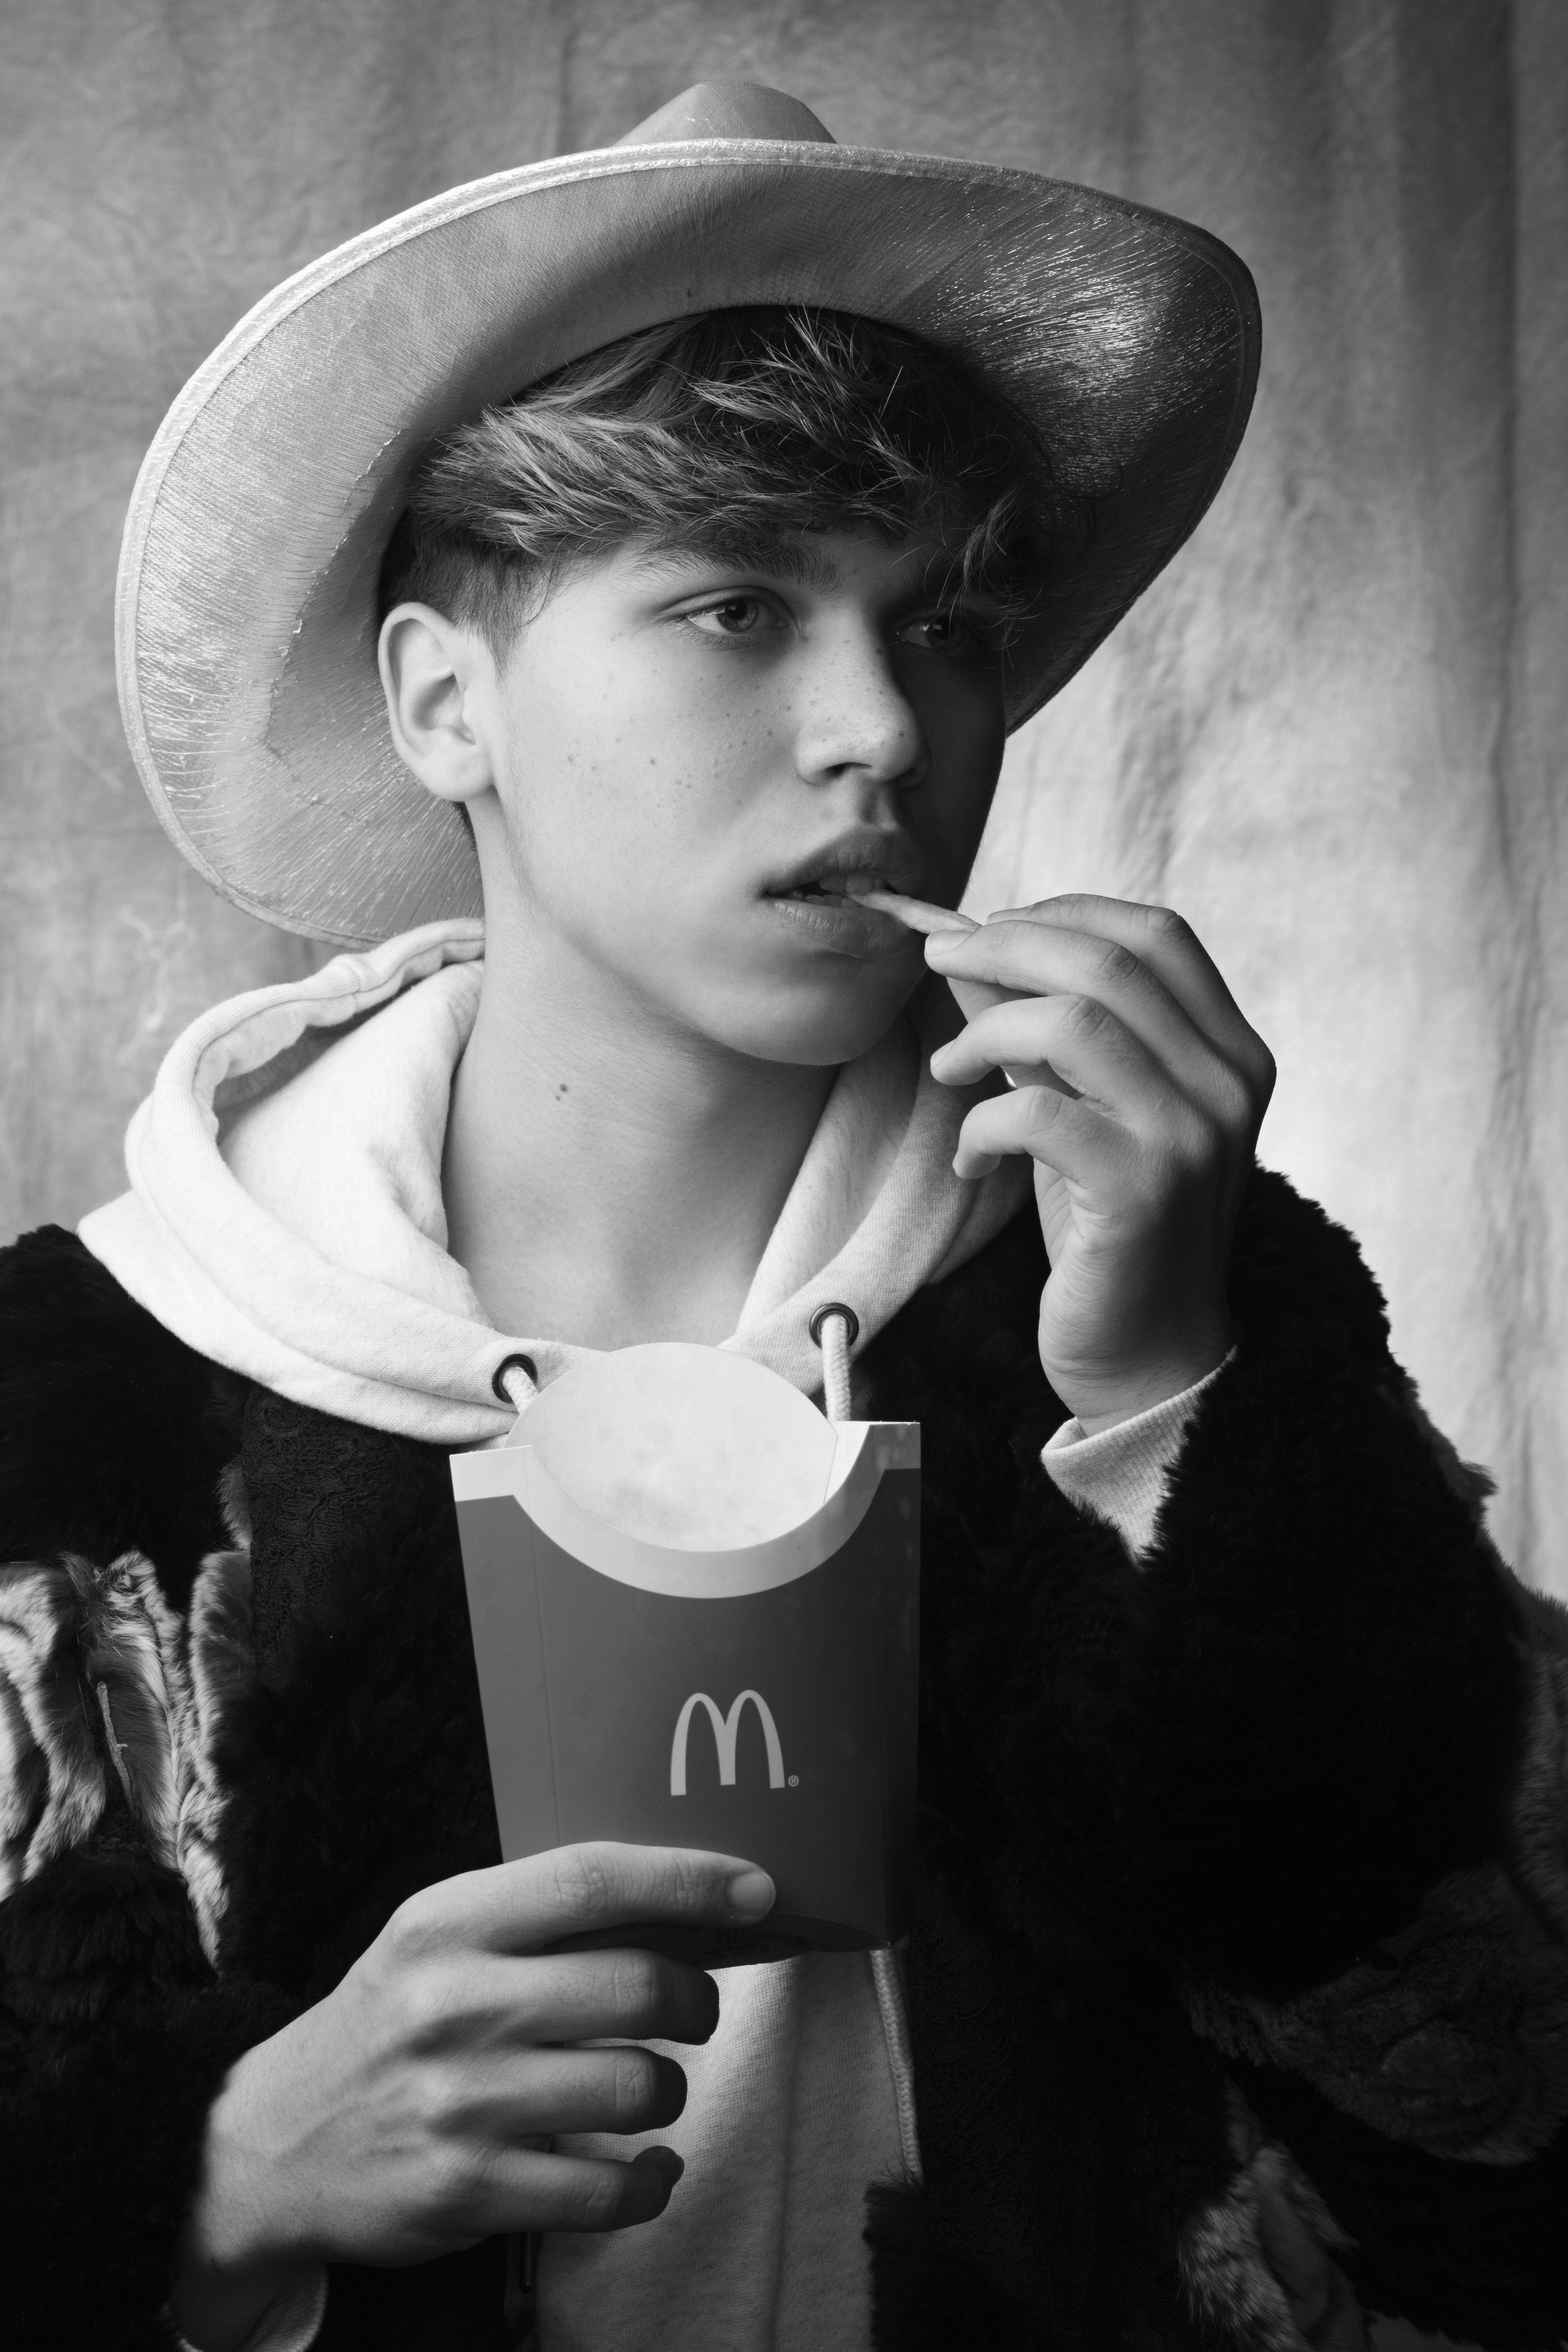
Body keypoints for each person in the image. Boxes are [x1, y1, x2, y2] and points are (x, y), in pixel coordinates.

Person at [2, 77, 1564, 2352]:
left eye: (947, 625)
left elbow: (1460, 2052)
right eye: (737, 607)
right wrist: (204, 2191)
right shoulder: (80, 1405)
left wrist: (1166, 1396)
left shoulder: (1169, 1276)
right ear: (450, 702)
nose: (883, 728)